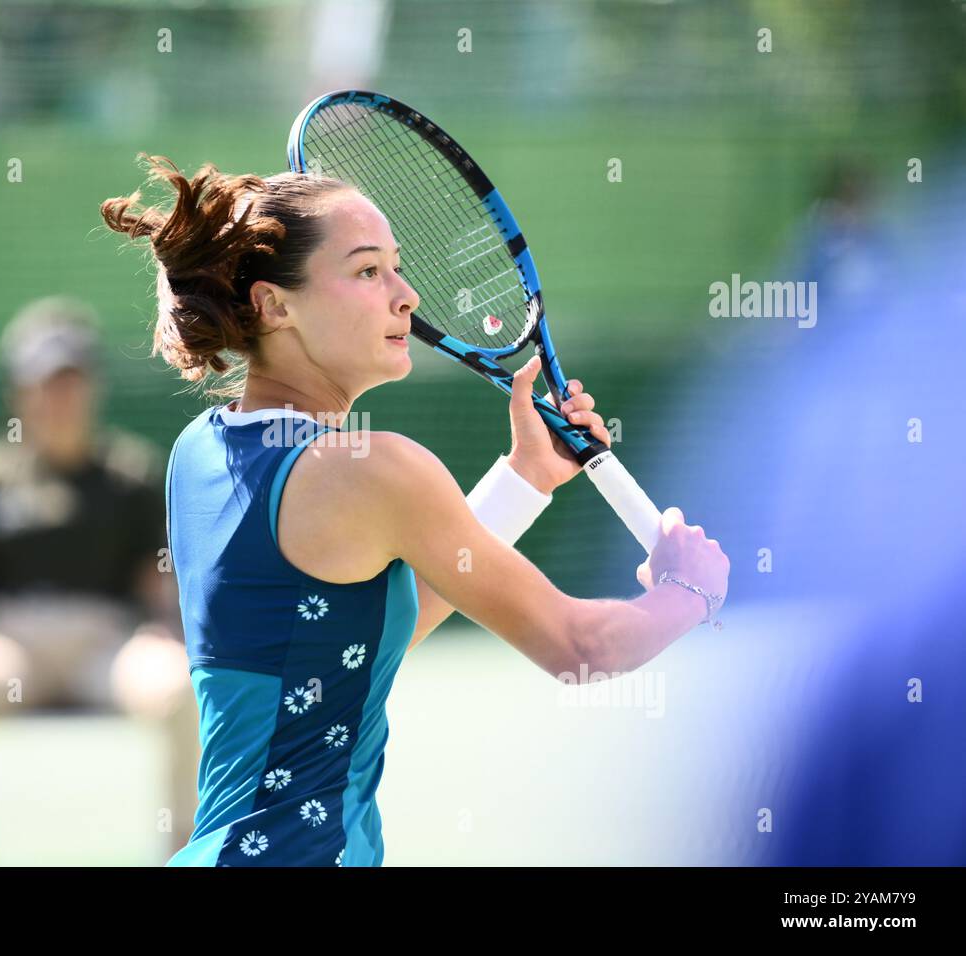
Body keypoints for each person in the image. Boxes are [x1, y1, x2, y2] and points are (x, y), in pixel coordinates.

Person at [101, 156, 729, 866]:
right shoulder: (374, 468)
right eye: (369, 271)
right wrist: (691, 589)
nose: (407, 296)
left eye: (396, 268)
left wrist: (526, 477)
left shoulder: (199, 454)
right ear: (276, 305)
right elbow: (581, 649)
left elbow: (357, 640)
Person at [0, 296, 198, 866]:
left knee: (184, 690)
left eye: (71, 381)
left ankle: (183, 853)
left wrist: (167, 631)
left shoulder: (132, 474)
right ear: (19, 393)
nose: (59, 398)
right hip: (11, 652)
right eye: (45, 384)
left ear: (92, 388)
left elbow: (157, 578)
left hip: (104, 649)